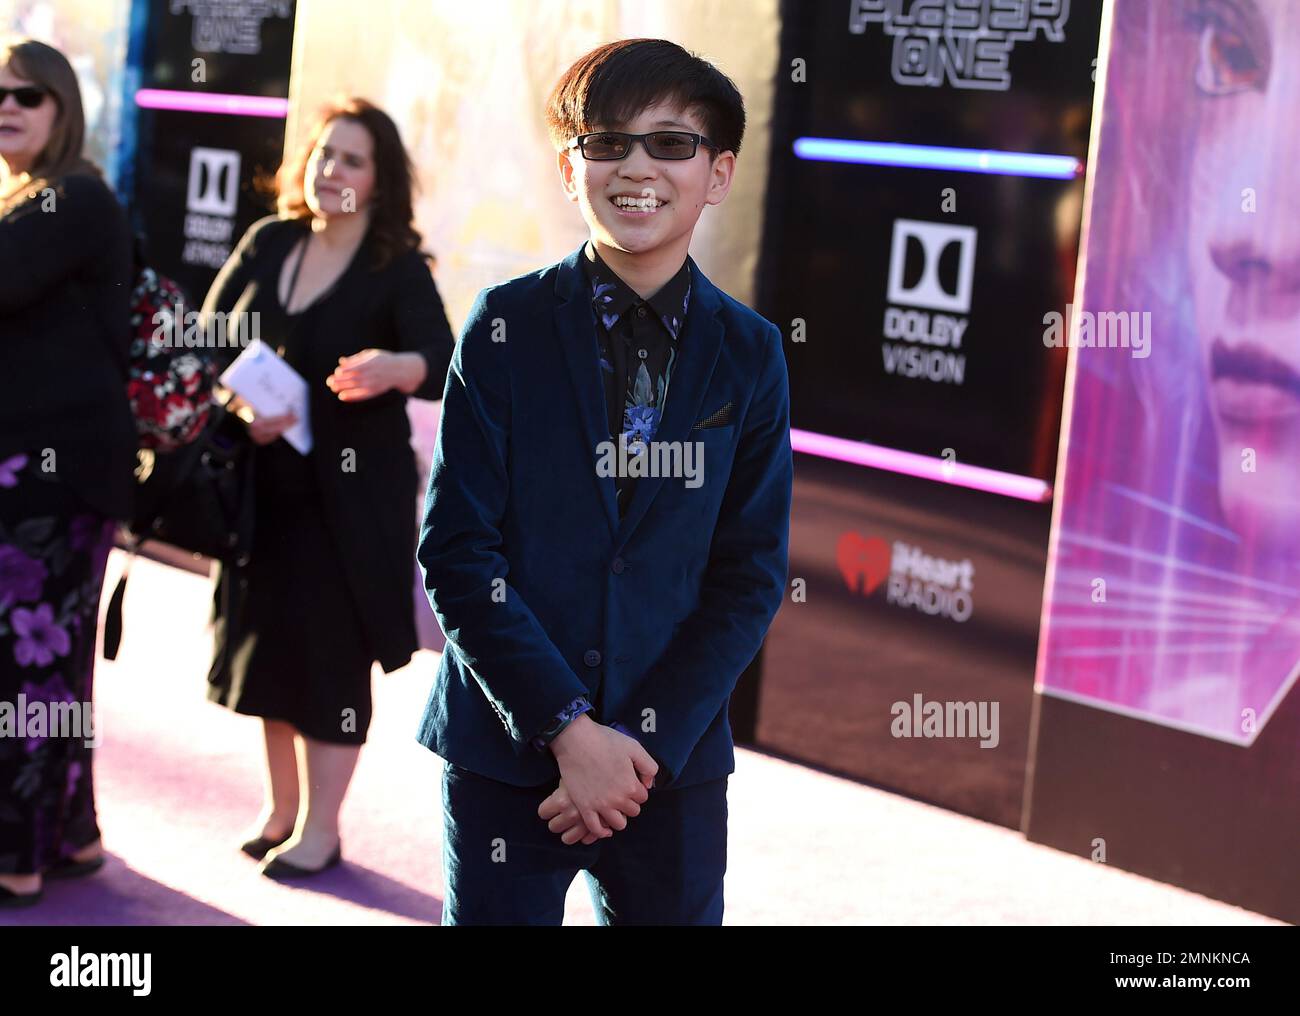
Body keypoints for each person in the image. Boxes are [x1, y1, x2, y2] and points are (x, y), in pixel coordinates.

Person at [417, 39, 792, 924]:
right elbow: (459, 551)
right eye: (607, 142)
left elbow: (749, 577)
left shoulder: (750, 353)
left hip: (672, 764)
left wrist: (637, 747)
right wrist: (566, 730)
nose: (636, 168)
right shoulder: (503, 325)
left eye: (671, 144)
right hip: (510, 750)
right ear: (568, 165)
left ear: (719, 173)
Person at [203, 98, 454, 878]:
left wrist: (395, 367)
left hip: (349, 506)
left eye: (352, 159)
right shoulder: (269, 240)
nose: (331, 171)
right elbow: (211, 335)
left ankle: (321, 829)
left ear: (379, 181)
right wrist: (243, 406)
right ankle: (280, 810)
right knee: (265, 653)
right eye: (322, 155)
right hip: (262, 489)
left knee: (330, 662)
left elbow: (442, 360)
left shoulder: (396, 266)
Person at [0, 37, 134, 907]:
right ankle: (71, 833)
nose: (6, 106)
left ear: (63, 109)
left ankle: (17, 850)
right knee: (48, 668)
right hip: (44, 474)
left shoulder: (71, 199)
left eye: (26, 95)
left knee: (26, 671)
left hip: (52, 479)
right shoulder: (32, 200)